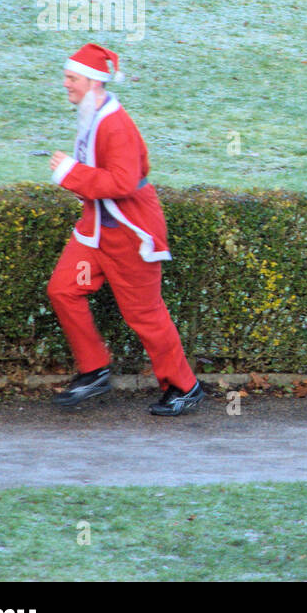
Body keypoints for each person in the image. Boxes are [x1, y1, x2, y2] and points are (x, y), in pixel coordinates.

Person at [46, 43, 204, 416]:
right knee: (63, 290)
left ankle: (185, 386)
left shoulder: (115, 123)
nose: (65, 84)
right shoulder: (92, 112)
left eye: (72, 78)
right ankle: (94, 370)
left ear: (93, 82)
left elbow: (122, 181)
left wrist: (70, 172)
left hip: (130, 234)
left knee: (145, 315)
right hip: (96, 231)